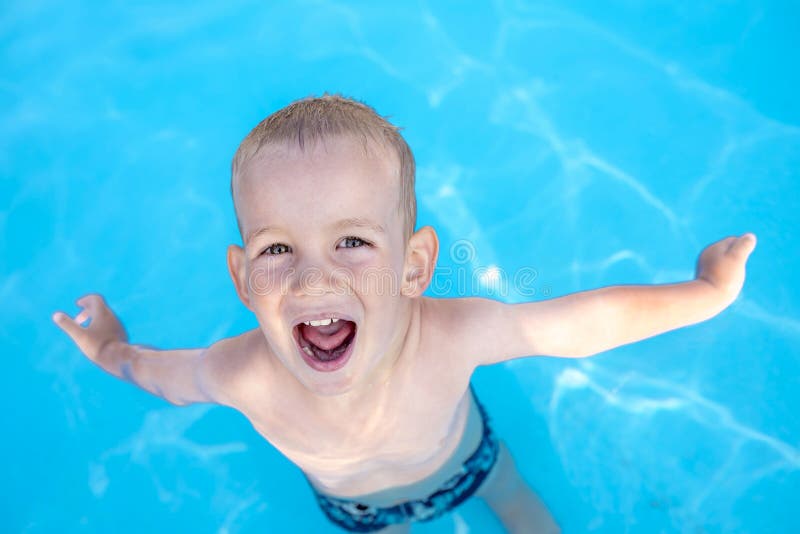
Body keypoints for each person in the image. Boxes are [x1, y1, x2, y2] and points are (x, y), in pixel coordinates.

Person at [52, 94, 757, 533]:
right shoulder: (240, 373)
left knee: (518, 507)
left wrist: (705, 292)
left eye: (352, 240)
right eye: (277, 249)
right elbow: (152, 374)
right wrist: (110, 347)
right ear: (241, 277)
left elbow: (579, 325)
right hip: (358, 513)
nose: (313, 274)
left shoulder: (453, 336)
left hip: (468, 464)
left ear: (415, 266)